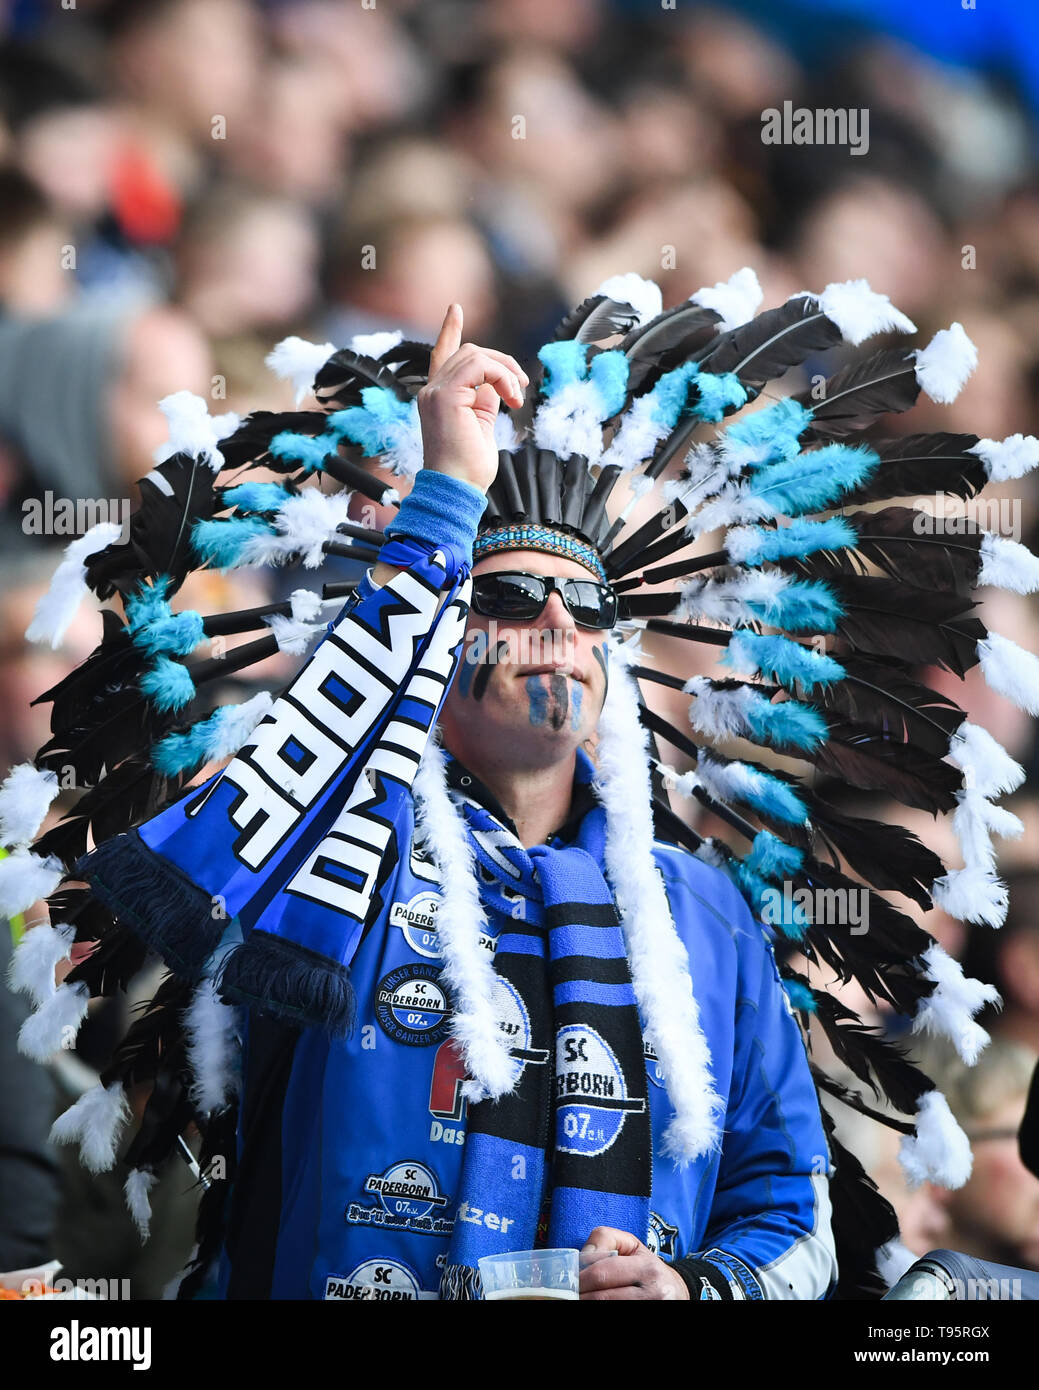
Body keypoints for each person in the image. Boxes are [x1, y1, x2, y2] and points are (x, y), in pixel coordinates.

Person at [7, 271, 1038, 1301]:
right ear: (434, 640)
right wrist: (446, 502)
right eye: (503, 594)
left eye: (587, 602)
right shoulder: (339, 846)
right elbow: (283, 788)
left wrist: (694, 1289)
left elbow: (784, 1202)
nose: (554, 621)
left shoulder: (706, 911)